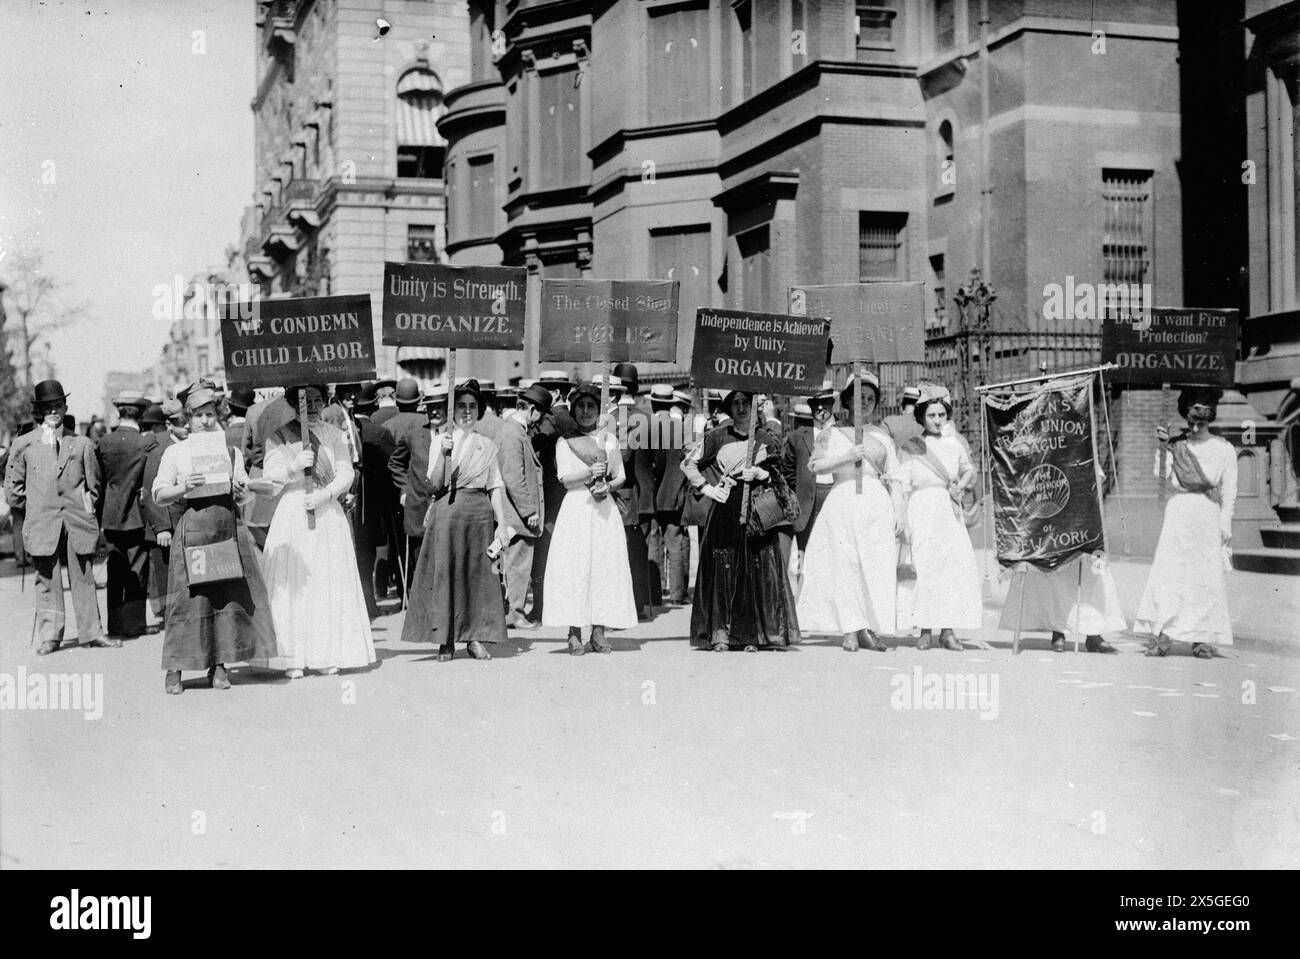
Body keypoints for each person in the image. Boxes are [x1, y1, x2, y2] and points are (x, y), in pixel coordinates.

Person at [151, 387, 277, 694]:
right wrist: (182, 487)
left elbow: (245, 491)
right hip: (193, 532)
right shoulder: (175, 452)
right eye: (198, 416)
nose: (205, 422)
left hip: (226, 528)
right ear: (188, 419)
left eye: (210, 415)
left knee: (226, 598)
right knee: (188, 601)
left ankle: (220, 666)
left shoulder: (230, 451)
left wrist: (241, 490)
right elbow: (159, 494)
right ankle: (175, 669)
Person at [254, 384, 376, 677]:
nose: (312, 406)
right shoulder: (279, 436)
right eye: (305, 400)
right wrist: (293, 467)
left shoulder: (333, 434)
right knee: (295, 584)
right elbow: (269, 484)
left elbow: (346, 472)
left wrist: (327, 494)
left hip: (325, 511)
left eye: (318, 400)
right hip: (294, 512)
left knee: (326, 582)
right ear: (294, 403)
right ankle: (292, 658)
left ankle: (326, 654)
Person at [400, 379, 510, 661]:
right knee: (446, 575)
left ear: (480, 410)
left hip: (479, 515)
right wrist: (444, 454)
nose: (467, 411)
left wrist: (502, 522)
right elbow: (434, 486)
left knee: (477, 576)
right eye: (461, 406)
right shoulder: (440, 440)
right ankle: (446, 640)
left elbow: (495, 485)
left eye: (472, 406)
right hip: (448, 512)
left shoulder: (487, 445)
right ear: (452, 410)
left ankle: (474, 638)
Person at [683, 390, 800, 651]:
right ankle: (720, 634)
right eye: (734, 404)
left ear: (754, 405)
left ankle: (752, 636)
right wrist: (708, 488)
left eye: (745, 403)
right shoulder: (716, 437)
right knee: (725, 569)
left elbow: (780, 475)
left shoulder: (765, 439)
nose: (740, 408)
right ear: (728, 407)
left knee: (755, 571)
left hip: (757, 510)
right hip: (725, 510)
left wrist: (762, 473)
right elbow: (688, 464)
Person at [797, 372, 903, 652]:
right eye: (859, 397)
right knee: (845, 565)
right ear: (846, 401)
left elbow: (895, 477)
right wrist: (846, 457)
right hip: (843, 500)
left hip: (875, 503)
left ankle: (868, 627)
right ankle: (850, 629)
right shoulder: (833, 433)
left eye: (870, 398)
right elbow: (815, 466)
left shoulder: (882, 436)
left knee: (874, 565)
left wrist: (899, 512)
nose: (865, 402)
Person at [3, 380, 110, 654]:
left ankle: (91, 632)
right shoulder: (24, 444)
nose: (53, 411)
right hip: (42, 523)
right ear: (39, 411)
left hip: (77, 521)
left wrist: (84, 511)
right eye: (47, 407)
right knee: (46, 578)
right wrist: (36, 506)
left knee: (84, 577)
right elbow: (13, 490)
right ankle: (51, 636)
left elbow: (94, 486)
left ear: (65, 408)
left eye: (58, 406)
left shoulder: (82, 444)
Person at [1134, 387, 1237, 658]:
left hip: (1207, 513)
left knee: (1203, 576)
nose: (1194, 427)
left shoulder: (1223, 448)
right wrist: (1162, 446)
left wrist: (1225, 524)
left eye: (1200, 422)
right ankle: (1164, 636)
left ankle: (1201, 638)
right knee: (1171, 573)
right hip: (1180, 511)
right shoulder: (1176, 445)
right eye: (1191, 422)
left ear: (1209, 420)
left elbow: (1229, 490)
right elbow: (1161, 474)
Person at [542, 383, 638, 654]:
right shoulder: (565, 441)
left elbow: (620, 475)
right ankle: (573, 631)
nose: (585, 411)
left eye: (591, 407)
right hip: (576, 509)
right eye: (581, 406)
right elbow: (564, 479)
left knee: (603, 567)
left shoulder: (608, 440)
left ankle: (598, 630)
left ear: (598, 410)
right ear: (573, 410)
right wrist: (588, 473)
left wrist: (609, 485)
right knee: (575, 568)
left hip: (603, 511)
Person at [890, 384, 981, 650]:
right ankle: (925, 630)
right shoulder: (911, 447)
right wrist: (903, 519)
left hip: (947, 510)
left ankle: (948, 631)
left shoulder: (954, 444)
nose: (938, 420)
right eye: (932, 415)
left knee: (950, 568)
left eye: (942, 415)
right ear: (921, 417)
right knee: (925, 567)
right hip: (922, 508)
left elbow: (969, 471)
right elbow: (903, 483)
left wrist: (960, 486)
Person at [96, 391, 154, 639]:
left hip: (110, 515)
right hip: (137, 514)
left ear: (120, 413)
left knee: (115, 570)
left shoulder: (104, 442)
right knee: (138, 569)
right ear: (140, 415)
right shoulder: (145, 443)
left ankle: (115, 626)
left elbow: (98, 481)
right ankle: (134, 624)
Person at [494, 384, 549, 629]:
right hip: (517, 514)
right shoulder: (513, 433)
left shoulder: (512, 431)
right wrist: (529, 511)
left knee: (515, 564)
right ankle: (515, 614)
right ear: (534, 411)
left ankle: (514, 611)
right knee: (518, 565)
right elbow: (514, 477)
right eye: (541, 415)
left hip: (515, 512)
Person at [347, 383, 399, 617]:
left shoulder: (346, 430)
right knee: (371, 554)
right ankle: (370, 603)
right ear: (373, 405)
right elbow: (393, 468)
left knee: (359, 554)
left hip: (351, 501)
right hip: (376, 505)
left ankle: (364, 603)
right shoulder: (379, 432)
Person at [529, 369, 576, 624]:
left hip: (548, 493)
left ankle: (541, 608)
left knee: (544, 552)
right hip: (568, 493)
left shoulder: (551, 419)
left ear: (556, 392)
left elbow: (536, 442)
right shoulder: (573, 418)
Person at [387, 384, 442, 594]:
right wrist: (404, 489)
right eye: (430, 407)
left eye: (439, 406)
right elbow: (395, 463)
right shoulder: (415, 435)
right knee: (421, 564)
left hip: (447, 510)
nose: (435, 411)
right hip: (419, 509)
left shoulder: (456, 435)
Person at [612, 363, 656, 617]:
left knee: (622, 551)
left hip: (623, 493)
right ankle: (640, 605)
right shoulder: (648, 417)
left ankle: (626, 606)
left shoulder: (615, 418)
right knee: (640, 552)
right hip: (645, 494)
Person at [141, 400, 186, 622]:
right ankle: (169, 616)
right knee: (165, 573)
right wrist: (161, 528)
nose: (186, 426)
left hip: (186, 520)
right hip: (167, 523)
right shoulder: (159, 449)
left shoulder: (191, 443)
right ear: (169, 424)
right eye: (180, 422)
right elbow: (149, 491)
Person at [649, 385, 692, 606]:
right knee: (675, 544)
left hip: (655, 492)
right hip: (676, 494)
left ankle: (655, 593)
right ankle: (677, 594)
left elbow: (654, 464)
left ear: (653, 403)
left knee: (654, 542)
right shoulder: (682, 428)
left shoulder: (649, 429)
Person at [241, 388, 294, 549]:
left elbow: (246, 453)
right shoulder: (297, 409)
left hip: (260, 479)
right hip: (290, 480)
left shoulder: (253, 410)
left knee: (265, 545)